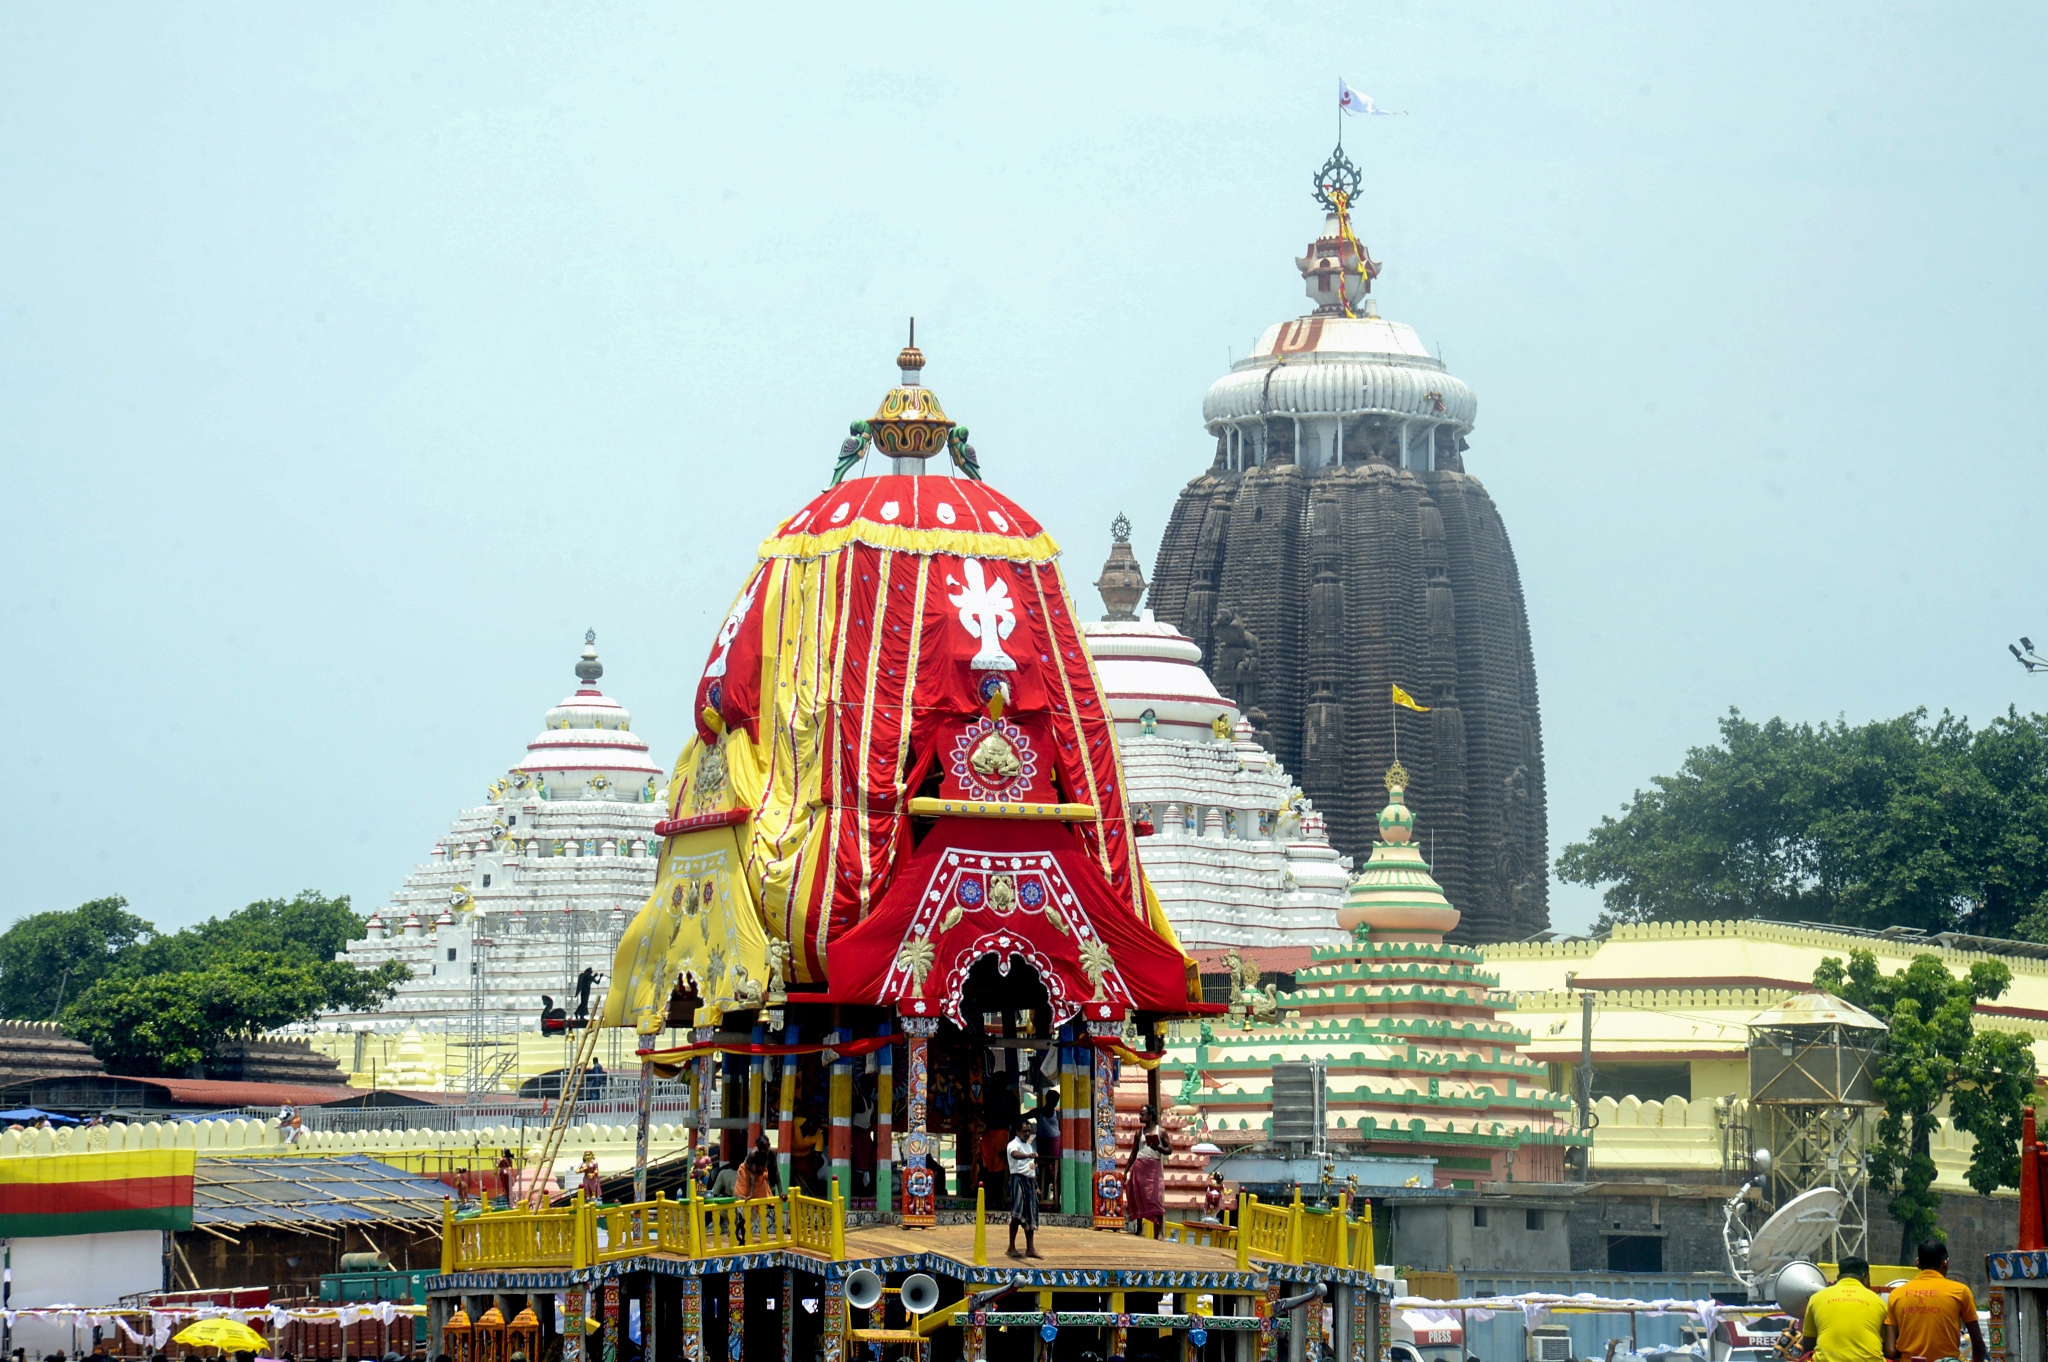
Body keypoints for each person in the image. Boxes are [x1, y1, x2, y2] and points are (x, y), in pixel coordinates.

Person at [1885, 1241, 1987, 1362]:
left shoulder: (1897, 1294)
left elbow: (1890, 1350)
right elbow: (1978, 1345)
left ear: (1918, 1263)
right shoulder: (1960, 1291)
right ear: (1946, 1263)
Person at [1801, 1256, 1886, 1362]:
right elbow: (1886, 1344)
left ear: (1838, 1276)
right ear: (1865, 1277)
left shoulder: (1816, 1298)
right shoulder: (1879, 1302)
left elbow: (1808, 1343)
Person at [1125, 1103, 1167, 1236]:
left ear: (1150, 1116)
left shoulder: (1161, 1132)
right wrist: (1126, 1171)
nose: (1140, 1116)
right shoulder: (1139, 1133)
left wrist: (1158, 1148)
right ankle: (1139, 1228)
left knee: (1156, 1198)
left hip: (1154, 1167)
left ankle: (1160, 1231)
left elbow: (1169, 1150)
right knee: (1139, 1196)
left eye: (1142, 1114)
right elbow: (1133, 1153)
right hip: (1139, 1166)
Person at [1005, 1117, 1041, 1259]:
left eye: (1029, 1131)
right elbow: (1015, 1155)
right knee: (1017, 1213)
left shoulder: (1029, 1146)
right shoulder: (1013, 1144)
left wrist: (1036, 1186)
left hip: (1029, 1181)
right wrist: (1027, 1155)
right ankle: (1011, 1247)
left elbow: (1031, 1167)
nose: (1027, 1134)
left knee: (1030, 1214)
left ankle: (1030, 1248)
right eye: (1025, 1131)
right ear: (1017, 1131)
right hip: (1018, 1179)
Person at [1032, 1088, 1060, 1199]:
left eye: (1056, 1101)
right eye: (1053, 1100)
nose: (1054, 1103)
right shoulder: (1038, 1112)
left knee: (1053, 1170)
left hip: (1054, 1142)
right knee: (1042, 1168)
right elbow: (1021, 1117)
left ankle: (1055, 1198)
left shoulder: (1057, 1114)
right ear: (1047, 1099)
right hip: (1041, 1142)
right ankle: (1042, 1197)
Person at [978, 1121, 1011, 1210]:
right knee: (995, 1176)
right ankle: (995, 1201)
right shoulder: (1004, 1132)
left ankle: (992, 1201)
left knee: (992, 1176)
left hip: (994, 1138)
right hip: (996, 1137)